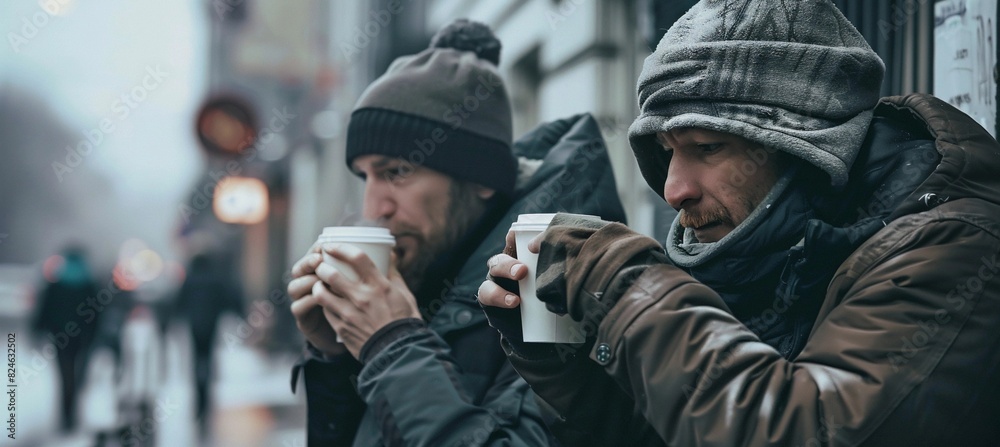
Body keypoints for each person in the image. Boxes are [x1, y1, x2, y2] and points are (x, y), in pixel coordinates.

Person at [478, 0, 1000, 445]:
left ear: (807, 149)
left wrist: (628, 285)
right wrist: (561, 353)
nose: (673, 189)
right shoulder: (765, 254)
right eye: (668, 153)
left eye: (707, 147)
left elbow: (806, 430)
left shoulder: (949, 247)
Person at [287, 19, 626, 446]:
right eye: (365, 176)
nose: (374, 208)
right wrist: (336, 357)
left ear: (481, 178)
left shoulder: (553, 283)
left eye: (397, 171)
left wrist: (391, 344)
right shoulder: (433, 263)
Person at [32, 245, 101, 433]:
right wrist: (94, 334)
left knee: (65, 375)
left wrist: (38, 331)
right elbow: (97, 314)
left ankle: (66, 415)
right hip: (82, 338)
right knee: (78, 375)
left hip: (60, 337)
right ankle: (71, 413)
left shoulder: (55, 283)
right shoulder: (89, 284)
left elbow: (44, 310)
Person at [175, 252, 244, 434]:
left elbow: (179, 302)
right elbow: (230, 299)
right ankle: (206, 397)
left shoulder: (190, 280)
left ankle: (199, 400)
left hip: (194, 326)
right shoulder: (216, 279)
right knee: (208, 359)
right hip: (210, 325)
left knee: (197, 360)